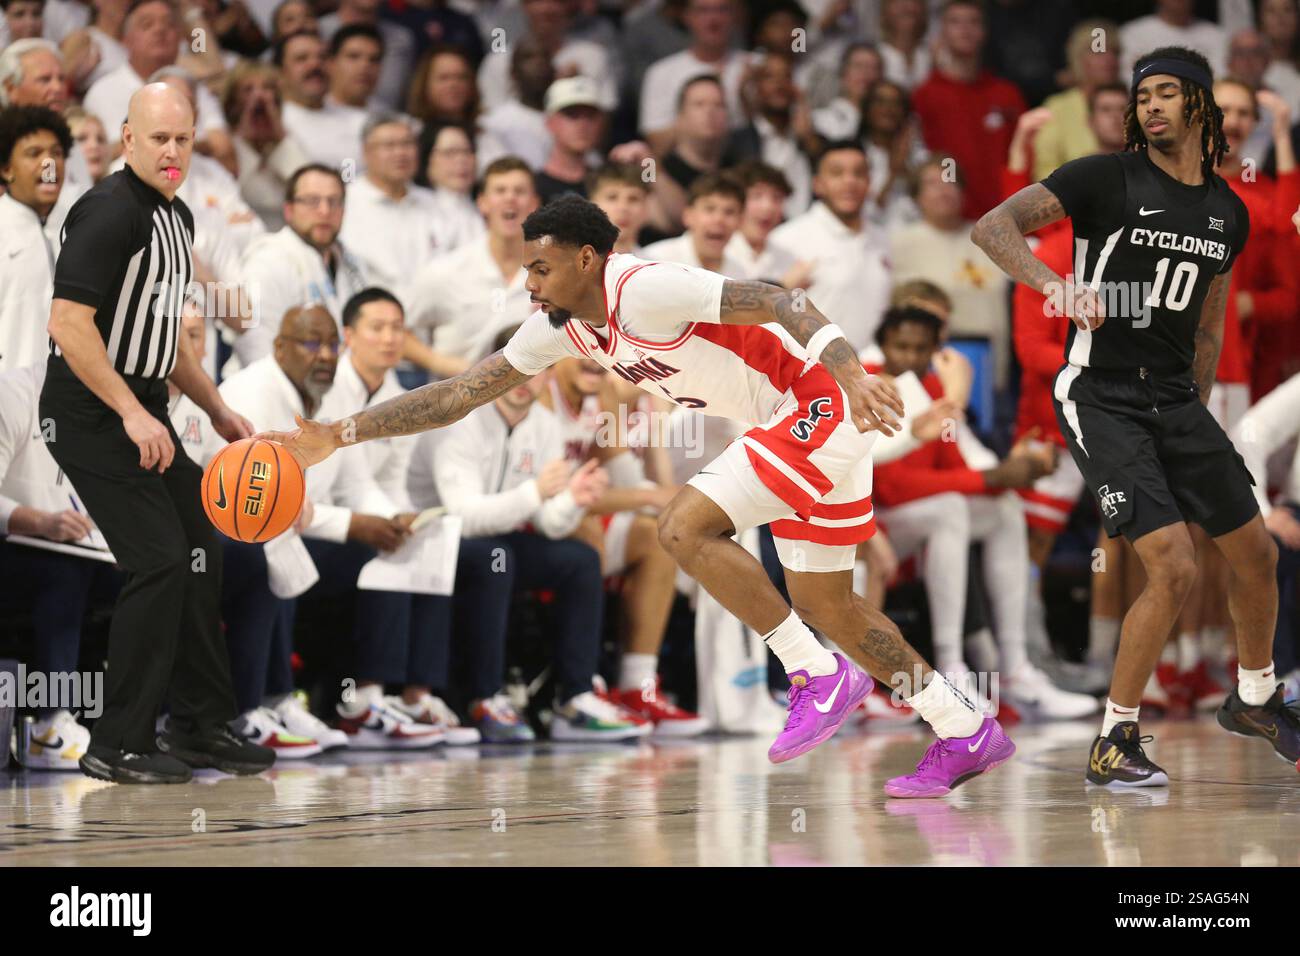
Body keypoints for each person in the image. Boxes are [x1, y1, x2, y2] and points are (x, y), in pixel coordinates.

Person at [262, 193, 1016, 799]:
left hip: (815, 398)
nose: (529, 283)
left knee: (683, 527)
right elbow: (460, 393)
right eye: (525, 269)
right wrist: (343, 432)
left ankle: (815, 674)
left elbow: (782, 299)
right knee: (830, 606)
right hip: (802, 420)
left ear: (587, 258)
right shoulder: (560, 330)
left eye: (541, 268)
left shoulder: (646, 286)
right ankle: (962, 727)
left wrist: (851, 373)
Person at [973, 46, 1296, 787]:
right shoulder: (1103, 178)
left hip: (1178, 401)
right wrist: (1054, 283)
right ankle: (1115, 737)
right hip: (1099, 393)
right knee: (1174, 564)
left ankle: (1253, 697)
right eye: (1141, 94)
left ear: (1201, 108)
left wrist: (1200, 414)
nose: (1149, 106)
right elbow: (993, 227)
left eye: (1166, 94)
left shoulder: (1227, 211)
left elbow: (1210, 326)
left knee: (1257, 554)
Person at [39, 83, 272, 784]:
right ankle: (117, 742)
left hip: (141, 401)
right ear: (128, 139)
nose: (172, 151)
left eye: (184, 139)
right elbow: (68, 324)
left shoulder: (178, 219)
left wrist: (219, 408)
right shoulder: (109, 211)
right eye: (159, 138)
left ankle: (200, 726)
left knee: (203, 537)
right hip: (87, 408)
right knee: (160, 558)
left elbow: (165, 338)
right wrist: (133, 413)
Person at [407, 330, 643, 741]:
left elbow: (550, 522)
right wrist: (534, 492)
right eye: (512, 370)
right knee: (496, 558)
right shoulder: (458, 416)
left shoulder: (543, 424)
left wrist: (572, 499)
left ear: (547, 377)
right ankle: (484, 697)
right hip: (433, 536)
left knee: (579, 559)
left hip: (500, 536)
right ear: (490, 371)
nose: (523, 382)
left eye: (534, 372)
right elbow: (464, 516)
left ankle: (575, 697)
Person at [865, 306, 1100, 719]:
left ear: (937, 350)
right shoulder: (874, 385)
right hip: (874, 528)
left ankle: (1014, 668)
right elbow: (893, 486)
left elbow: (958, 464)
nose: (909, 357)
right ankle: (951, 665)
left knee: (1004, 507)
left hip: (916, 522)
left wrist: (1006, 474)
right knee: (952, 507)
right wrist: (992, 477)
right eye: (900, 347)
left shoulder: (934, 386)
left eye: (921, 348)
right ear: (882, 347)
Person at [400, 156, 536, 381]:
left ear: (534, 204)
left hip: (528, 406)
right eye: (500, 191)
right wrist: (443, 364)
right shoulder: (444, 272)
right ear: (482, 203)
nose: (510, 198)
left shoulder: (553, 276)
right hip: (456, 406)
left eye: (520, 191)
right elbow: (398, 331)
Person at [235, 163, 370, 368]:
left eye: (333, 202)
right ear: (289, 210)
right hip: (274, 391)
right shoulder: (267, 262)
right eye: (312, 201)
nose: (325, 211)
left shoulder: (353, 262)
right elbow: (256, 351)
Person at [768, 140, 891, 349]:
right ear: (817, 184)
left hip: (872, 371)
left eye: (859, 173)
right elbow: (766, 318)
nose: (850, 181)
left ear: (870, 183)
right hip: (812, 371)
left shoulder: (883, 239)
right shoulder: (787, 239)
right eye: (837, 173)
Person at [910, 0, 1025, 221]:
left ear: (984, 32)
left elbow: (1021, 159)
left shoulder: (1007, 94)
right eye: (955, 22)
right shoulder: (924, 95)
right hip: (948, 220)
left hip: (1004, 219)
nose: (965, 29)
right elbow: (919, 160)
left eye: (973, 22)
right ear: (942, 32)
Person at [338, 112, 440, 291]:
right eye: (389, 145)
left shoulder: (434, 203)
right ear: (366, 152)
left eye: (407, 144)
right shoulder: (345, 202)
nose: (400, 153)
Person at [0, 105, 66, 373]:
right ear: (6, 169)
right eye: (33, 153)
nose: (48, 163)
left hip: (72, 400)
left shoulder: (81, 227)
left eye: (57, 153)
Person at [642, 172, 746, 276]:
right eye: (709, 209)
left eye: (729, 212)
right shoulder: (654, 260)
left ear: (740, 221)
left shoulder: (740, 275)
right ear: (688, 216)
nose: (719, 219)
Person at [414, 119, 483, 256]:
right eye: (450, 153)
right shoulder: (417, 211)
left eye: (467, 151)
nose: (461, 160)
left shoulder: (487, 208)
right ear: (427, 160)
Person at [534, 75, 606, 204]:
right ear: (549, 122)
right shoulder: (533, 187)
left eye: (590, 116)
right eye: (572, 115)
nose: (582, 125)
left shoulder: (609, 183)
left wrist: (648, 162)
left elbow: (652, 217)